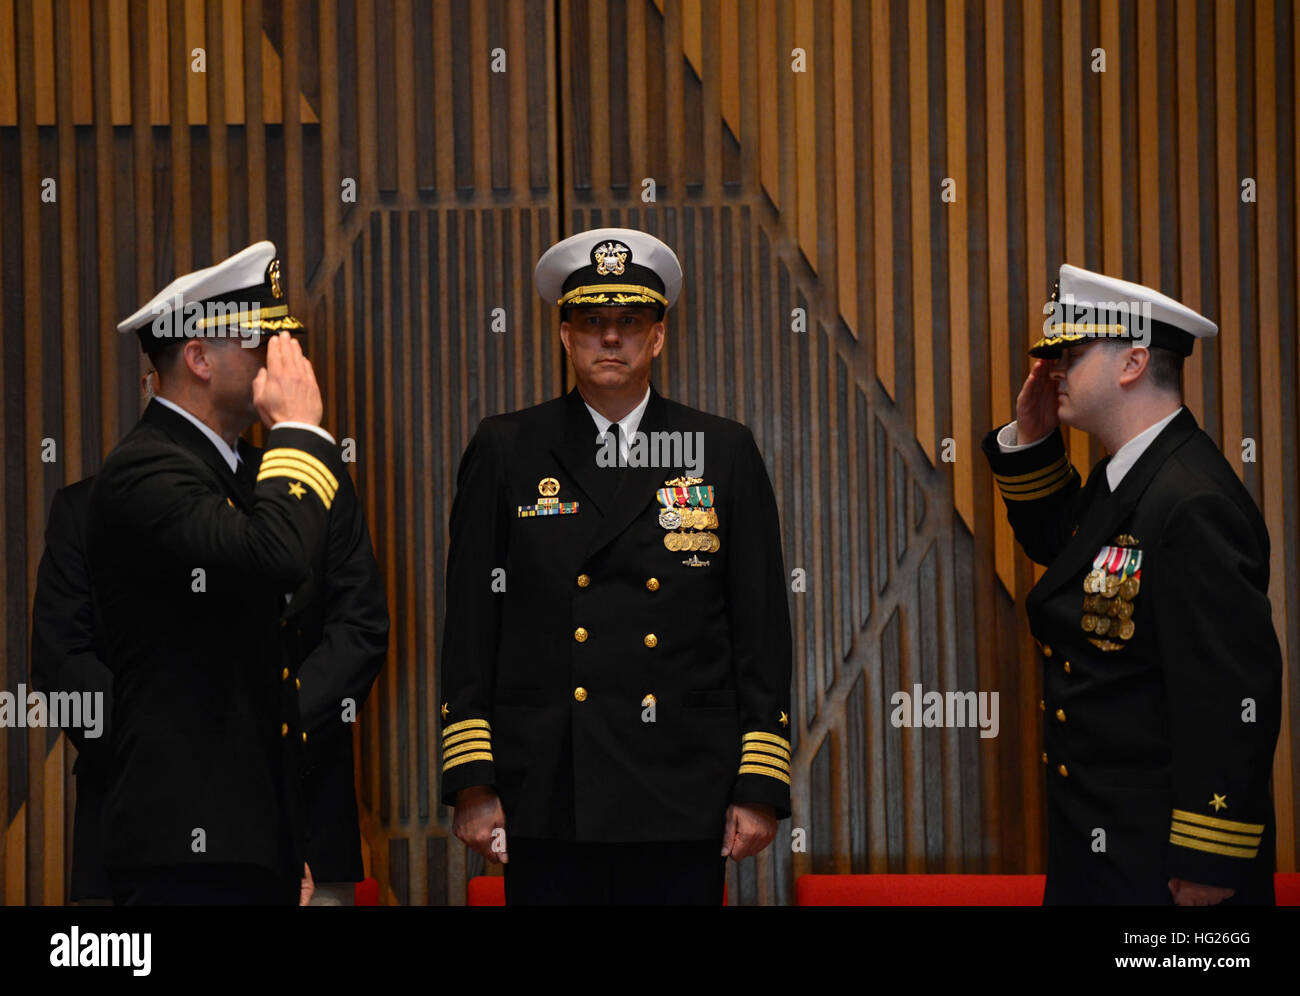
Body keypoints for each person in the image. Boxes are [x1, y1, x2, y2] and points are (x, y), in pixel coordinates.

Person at [439, 227, 793, 905]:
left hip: (683, 786)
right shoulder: (509, 449)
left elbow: (761, 630)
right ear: (565, 335)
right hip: (546, 787)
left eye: (628, 322)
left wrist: (759, 784)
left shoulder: (720, 451)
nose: (610, 339)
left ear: (657, 336)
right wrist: (473, 781)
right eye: (592, 322)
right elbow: (471, 625)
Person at [981, 263, 1282, 905]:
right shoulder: (1131, 475)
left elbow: (1231, 694)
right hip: (1103, 847)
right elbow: (1066, 558)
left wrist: (1210, 858)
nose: (1054, 369)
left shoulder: (1190, 499)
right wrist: (1033, 441)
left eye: (1071, 352)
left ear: (1133, 362)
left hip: (1165, 870)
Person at [33, 375, 388, 907]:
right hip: (142, 825)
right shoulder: (84, 507)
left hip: (305, 807)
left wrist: (266, 749)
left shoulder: (310, 490)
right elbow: (65, 663)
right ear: (160, 378)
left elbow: (357, 629)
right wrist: (186, 771)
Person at [88, 241, 346, 905]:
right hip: (183, 848)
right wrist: (299, 428)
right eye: (262, 340)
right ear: (198, 357)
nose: (282, 358)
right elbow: (275, 558)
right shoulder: (147, 470)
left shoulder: (227, 468)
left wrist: (284, 842)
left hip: (246, 840)